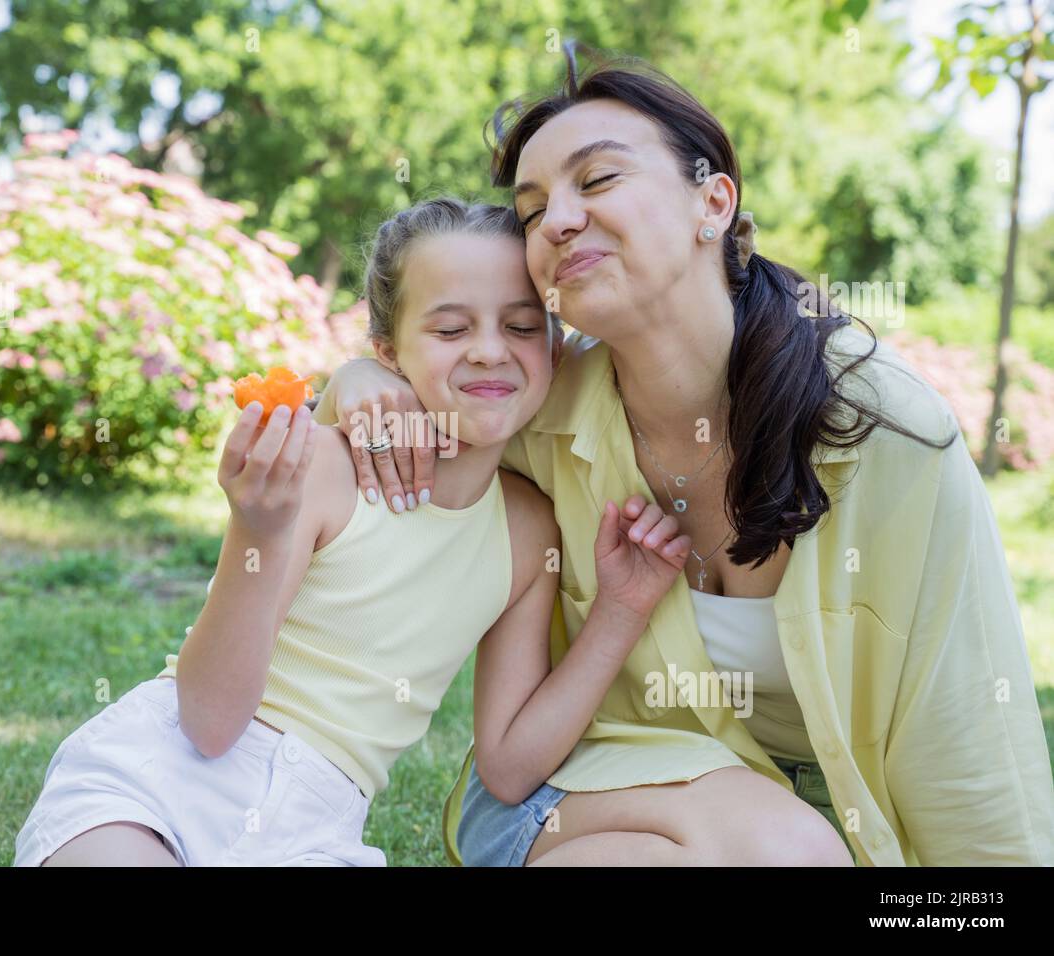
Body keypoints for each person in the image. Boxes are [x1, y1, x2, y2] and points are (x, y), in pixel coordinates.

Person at [312, 56, 1054, 866]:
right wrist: (358, 379)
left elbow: (970, 744)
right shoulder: (539, 414)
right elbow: (403, 405)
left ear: (714, 201)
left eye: (595, 180)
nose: (556, 221)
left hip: (805, 829)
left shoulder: (886, 433)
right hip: (578, 799)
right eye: (530, 212)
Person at [13, 196, 688, 866]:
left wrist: (620, 612)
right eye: (450, 331)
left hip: (317, 829)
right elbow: (209, 722)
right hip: (155, 787)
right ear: (388, 351)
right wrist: (258, 531)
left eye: (520, 326)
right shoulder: (323, 471)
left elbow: (509, 769)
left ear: (557, 345)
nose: (488, 351)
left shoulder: (526, 530)